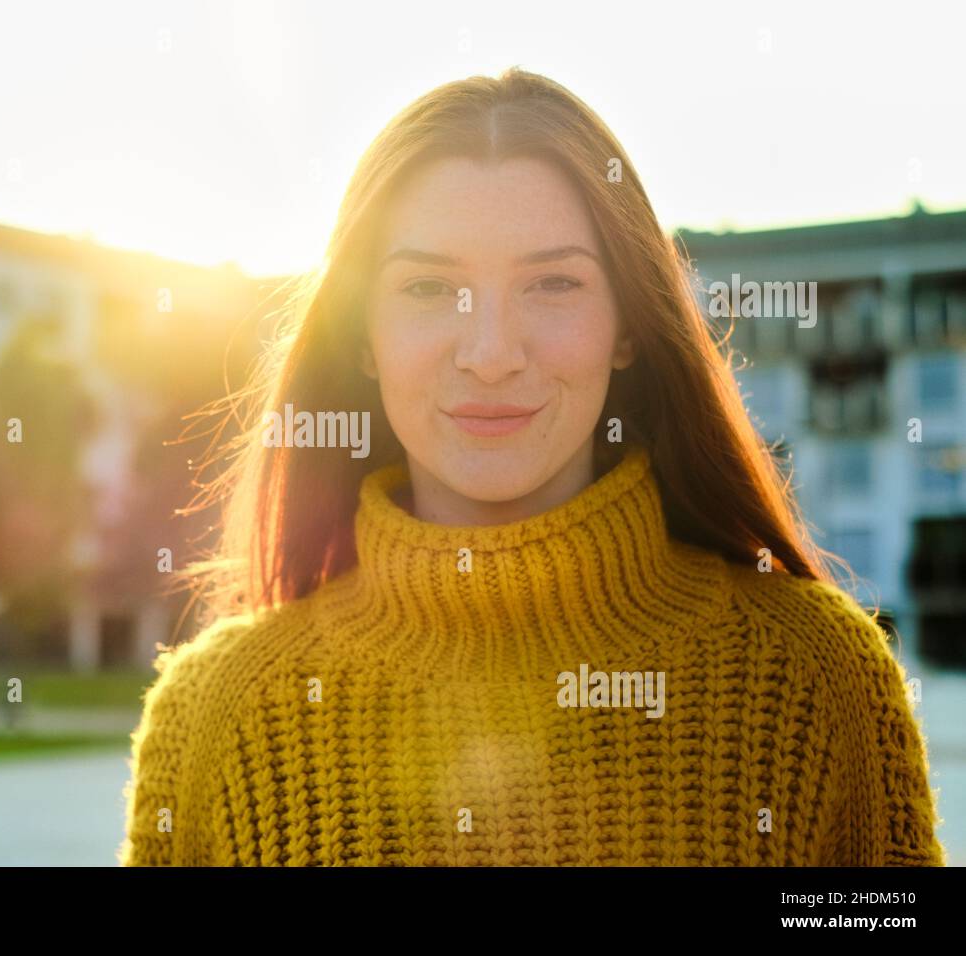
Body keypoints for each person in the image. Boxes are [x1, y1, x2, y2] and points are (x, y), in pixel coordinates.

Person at [118, 68, 944, 866]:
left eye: (552, 283)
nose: (490, 354)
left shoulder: (822, 681)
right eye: (429, 288)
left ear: (627, 325)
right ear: (361, 336)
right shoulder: (211, 716)